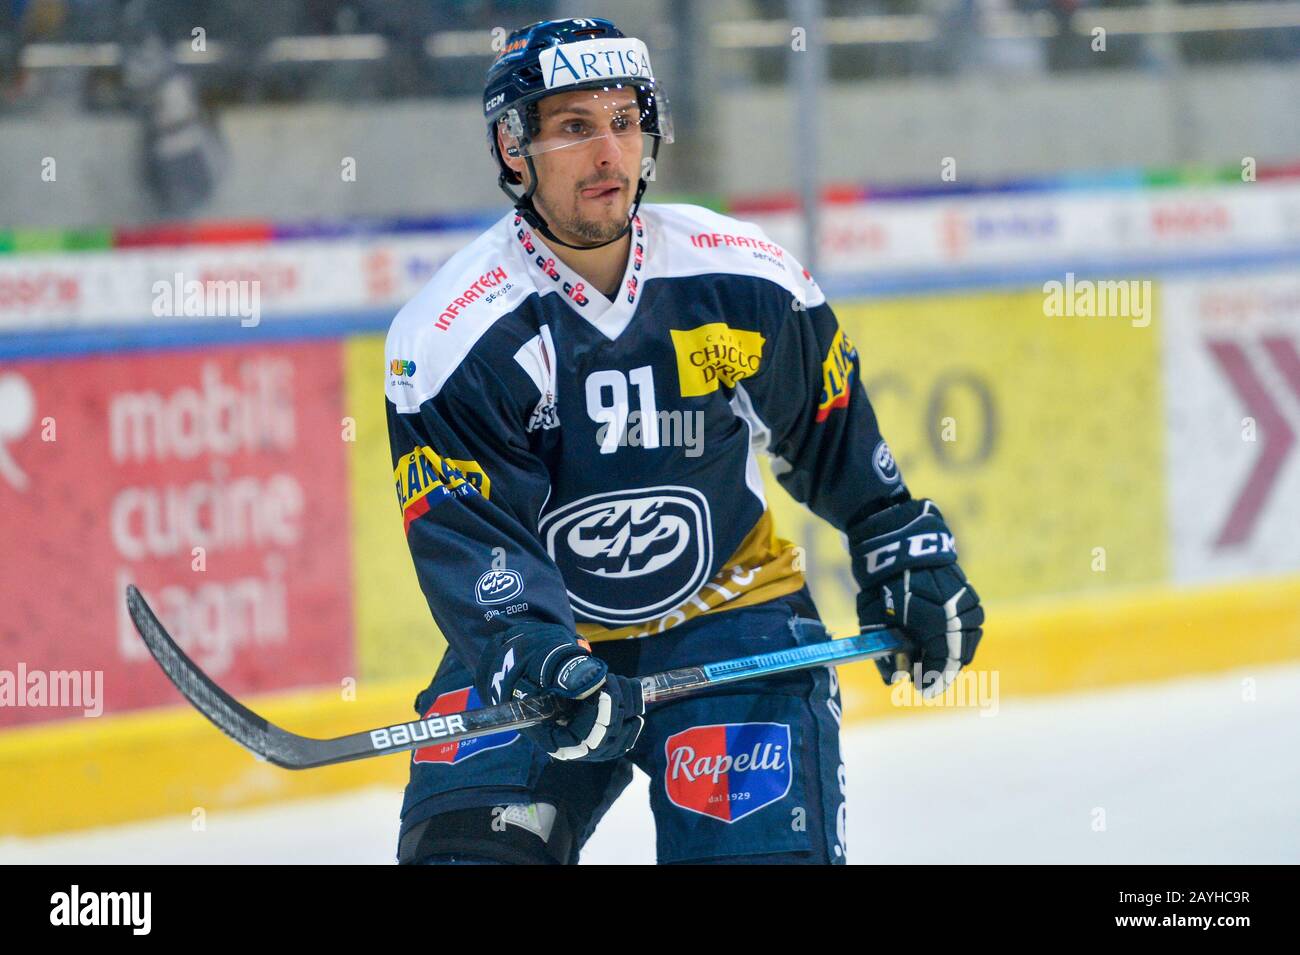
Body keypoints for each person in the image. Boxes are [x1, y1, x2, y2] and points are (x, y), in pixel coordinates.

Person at [384, 16, 983, 865]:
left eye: (624, 122)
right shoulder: (455, 334)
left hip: (729, 617)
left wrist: (894, 534)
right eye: (574, 127)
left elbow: (826, 426)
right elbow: (470, 530)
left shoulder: (737, 276)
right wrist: (530, 649)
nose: (608, 153)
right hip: (552, 638)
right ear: (513, 149)